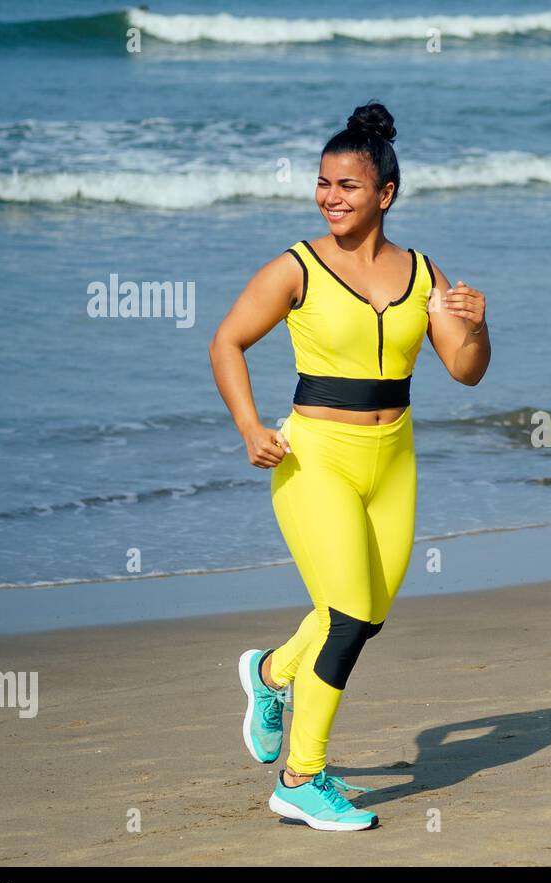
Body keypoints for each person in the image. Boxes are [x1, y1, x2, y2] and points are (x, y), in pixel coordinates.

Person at [208, 101, 490, 830]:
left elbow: (465, 370)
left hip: (393, 459)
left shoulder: (424, 273)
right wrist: (248, 427)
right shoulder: (296, 268)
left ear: (384, 195)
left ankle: (271, 673)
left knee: (366, 618)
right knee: (349, 612)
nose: (330, 197)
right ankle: (301, 776)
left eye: (348, 186)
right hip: (315, 459)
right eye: (324, 184)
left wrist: (478, 326)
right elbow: (227, 342)